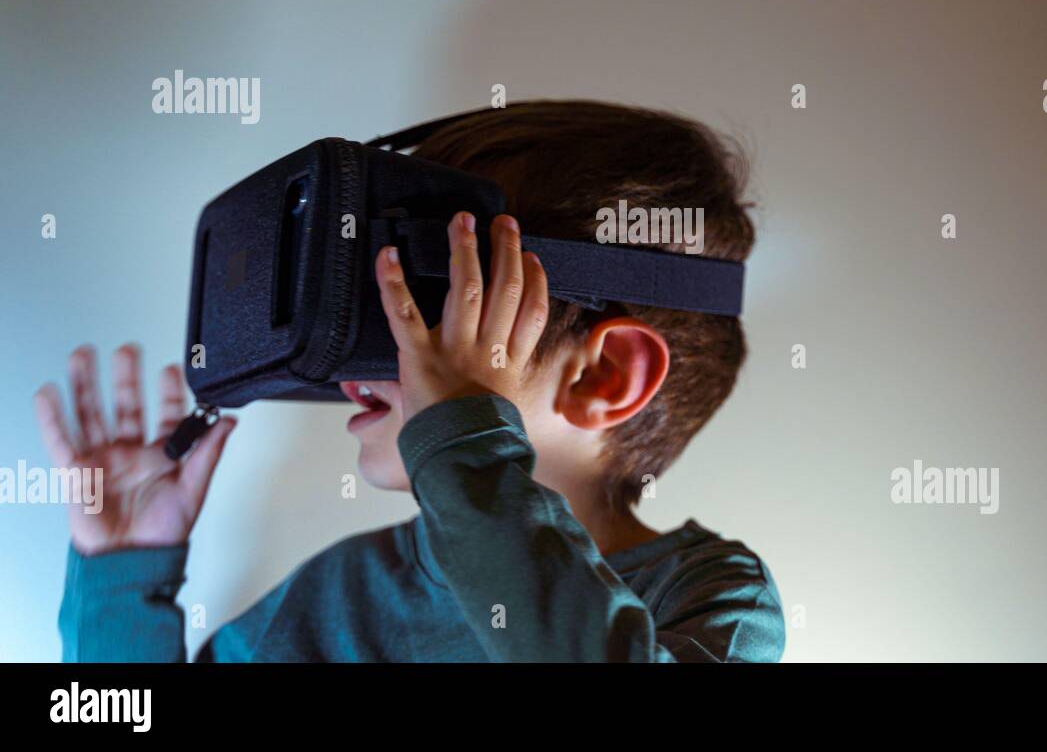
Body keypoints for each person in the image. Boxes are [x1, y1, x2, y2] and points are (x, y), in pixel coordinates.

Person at [40, 100, 784, 662]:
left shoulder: (708, 596)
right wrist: (122, 587)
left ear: (603, 375)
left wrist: (465, 443)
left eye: (423, 310)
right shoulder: (334, 595)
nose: (354, 376)